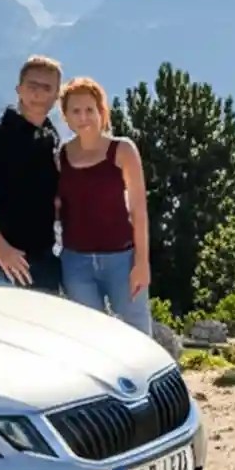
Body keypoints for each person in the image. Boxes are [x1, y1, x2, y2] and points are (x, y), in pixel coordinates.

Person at [55, 76, 154, 335]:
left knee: (139, 334)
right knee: (90, 337)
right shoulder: (60, 158)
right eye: (75, 111)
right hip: (76, 264)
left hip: (122, 260)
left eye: (90, 109)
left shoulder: (122, 151)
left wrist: (142, 263)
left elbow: (139, 211)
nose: (83, 117)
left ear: (102, 111)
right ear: (65, 117)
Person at [0, 55, 63, 292]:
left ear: (56, 96)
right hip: (14, 261)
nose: (38, 93)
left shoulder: (49, 135)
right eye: (32, 85)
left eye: (46, 88)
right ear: (19, 89)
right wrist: (0, 249)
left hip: (48, 255)